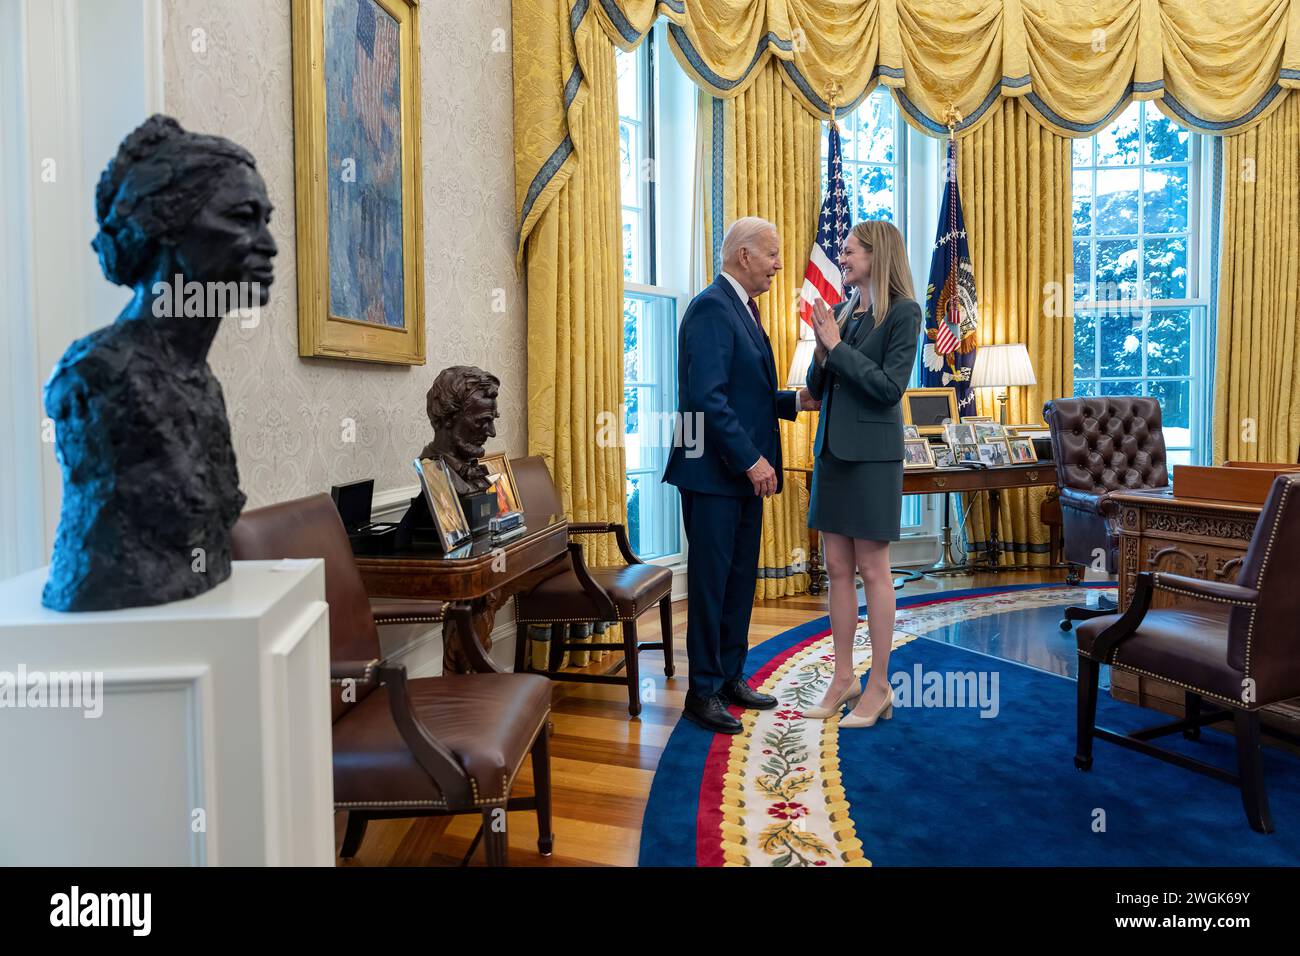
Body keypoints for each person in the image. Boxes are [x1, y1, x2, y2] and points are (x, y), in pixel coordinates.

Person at [42, 115, 277, 611]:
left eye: (266, 220)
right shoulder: (102, 379)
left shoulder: (200, 383)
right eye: (241, 218)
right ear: (169, 225)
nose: (269, 244)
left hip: (202, 607)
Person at [663, 217, 820, 734]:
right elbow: (704, 400)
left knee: (737, 584)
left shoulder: (744, 311)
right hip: (715, 476)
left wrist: (794, 400)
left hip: (740, 476)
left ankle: (730, 677)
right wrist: (752, 460)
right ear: (744, 256)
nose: (779, 265)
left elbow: (741, 394)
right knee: (711, 587)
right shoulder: (710, 307)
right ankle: (702, 692)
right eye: (773, 255)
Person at [801, 220, 921, 727]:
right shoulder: (847, 312)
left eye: (848, 252)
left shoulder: (905, 314)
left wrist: (839, 346)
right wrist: (823, 342)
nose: (842, 259)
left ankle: (878, 686)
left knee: (874, 571)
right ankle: (842, 676)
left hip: (872, 459)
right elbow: (815, 385)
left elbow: (889, 388)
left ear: (877, 255)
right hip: (832, 455)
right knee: (836, 571)